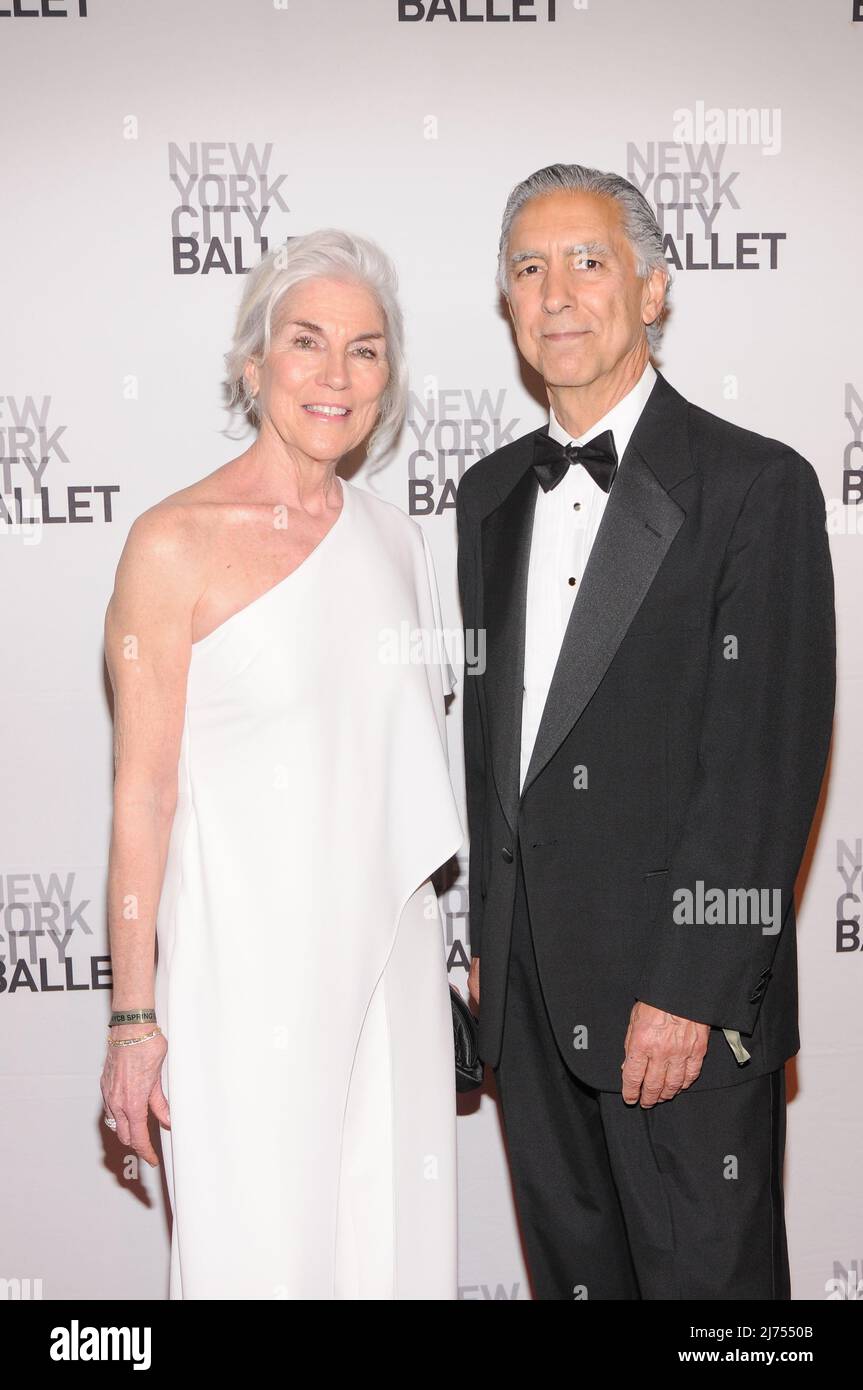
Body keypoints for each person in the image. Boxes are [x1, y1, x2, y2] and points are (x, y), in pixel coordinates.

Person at [456, 162, 836, 1300]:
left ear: (654, 288)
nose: (556, 292)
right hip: (526, 1010)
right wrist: (486, 945)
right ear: (506, 302)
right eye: (529, 268)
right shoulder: (482, 498)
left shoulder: (752, 486)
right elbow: (496, 755)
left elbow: (763, 769)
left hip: (675, 1015)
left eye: (587, 261)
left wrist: (693, 986)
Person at [101, 229, 464, 1299]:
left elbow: (411, 770)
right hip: (241, 969)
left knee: (390, 1253)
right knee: (255, 1261)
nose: (336, 375)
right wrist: (132, 1019)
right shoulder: (172, 543)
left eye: (364, 349)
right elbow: (142, 792)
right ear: (253, 363)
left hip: (393, 963)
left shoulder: (398, 542)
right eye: (307, 342)